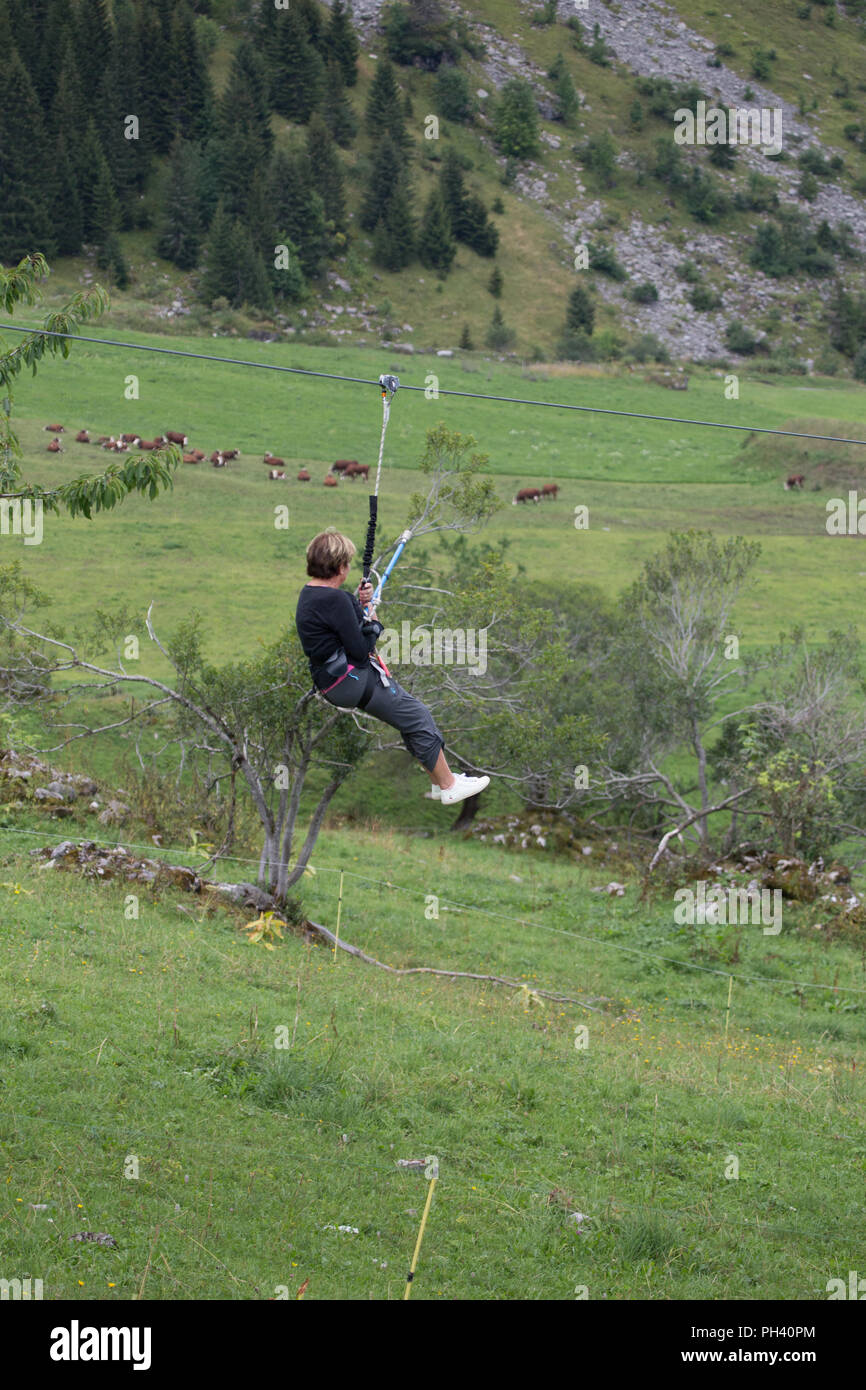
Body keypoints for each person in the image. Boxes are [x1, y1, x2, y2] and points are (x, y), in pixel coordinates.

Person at [295, 529, 489, 807]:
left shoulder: (311, 594)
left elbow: (337, 621)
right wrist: (373, 620)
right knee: (417, 716)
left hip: (333, 681)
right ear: (340, 566)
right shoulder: (335, 600)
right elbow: (361, 652)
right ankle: (448, 786)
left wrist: (358, 604)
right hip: (350, 679)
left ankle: (440, 782)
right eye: (348, 562)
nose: (349, 567)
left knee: (408, 720)